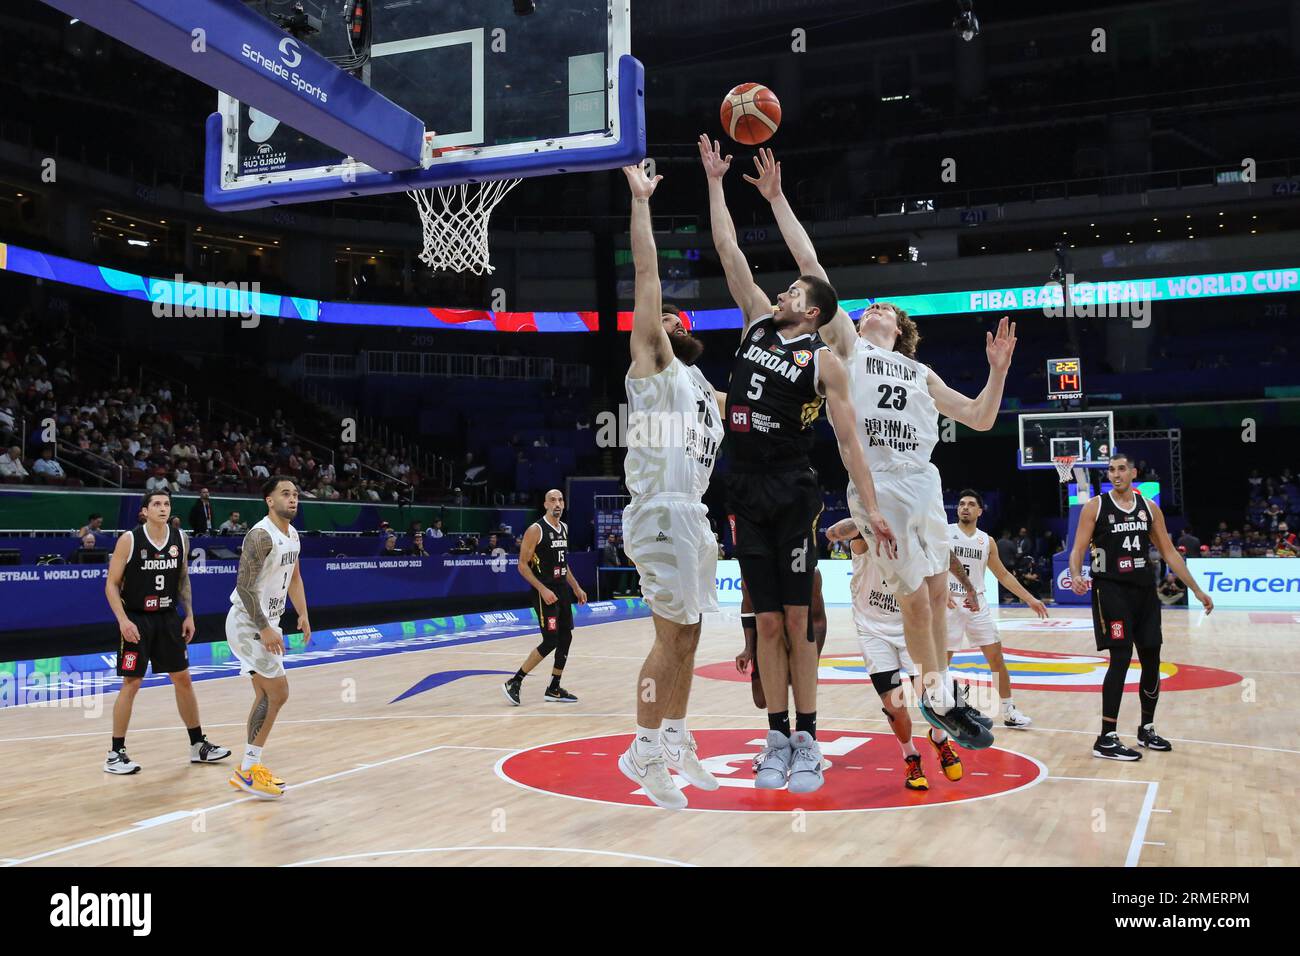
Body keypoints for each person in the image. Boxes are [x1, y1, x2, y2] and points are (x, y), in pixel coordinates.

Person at [701, 138, 896, 794]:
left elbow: (846, 442)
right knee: (762, 624)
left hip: (792, 490)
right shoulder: (757, 325)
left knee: (795, 619)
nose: (778, 293)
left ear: (810, 310)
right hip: (742, 484)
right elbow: (729, 254)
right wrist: (715, 183)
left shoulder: (826, 358)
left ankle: (808, 736)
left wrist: (867, 503)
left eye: (789, 292)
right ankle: (776, 737)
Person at [613, 163, 725, 809]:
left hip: (694, 517)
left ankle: (676, 736)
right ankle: (642, 748)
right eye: (667, 321)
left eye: (682, 322)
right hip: (658, 512)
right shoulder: (654, 366)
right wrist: (642, 203)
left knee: (689, 634)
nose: (674, 324)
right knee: (667, 636)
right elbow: (649, 278)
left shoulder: (706, 393)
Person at [1069, 453, 1213, 761]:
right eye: (1111, 469)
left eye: (1121, 468)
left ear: (1134, 472)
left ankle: (1146, 728)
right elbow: (1077, 549)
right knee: (1120, 659)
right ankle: (1106, 737)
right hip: (1111, 590)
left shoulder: (1149, 507)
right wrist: (1074, 573)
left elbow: (1170, 553)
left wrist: (1197, 590)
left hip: (1145, 592)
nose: (1116, 473)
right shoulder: (1094, 507)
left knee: (1152, 659)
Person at [826, 517, 976, 790]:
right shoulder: (866, 534)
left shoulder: (916, 532)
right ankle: (910, 756)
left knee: (933, 698)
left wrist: (967, 587)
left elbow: (945, 553)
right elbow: (833, 532)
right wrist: (869, 516)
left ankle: (939, 740)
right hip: (873, 631)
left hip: (911, 628)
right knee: (895, 706)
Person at [103, 489, 230, 774]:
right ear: (144, 511)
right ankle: (115, 753)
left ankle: (198, 745)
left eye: (166, 504)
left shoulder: (180, 538)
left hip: (168, 617)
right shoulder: (130, 540)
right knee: (132, 683)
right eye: (156, 504)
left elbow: (183, 578)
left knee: (183, 678)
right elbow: (111, 584)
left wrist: (190, 615)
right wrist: (123, 621)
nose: (162, 508)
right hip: (137, 618)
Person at [225, 476, 308, 798]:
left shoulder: (293, 534)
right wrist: (264, 628)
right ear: (269, 501)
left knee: (265, 695)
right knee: (279, 692)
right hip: (249, 623)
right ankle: (247, 771)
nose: (293, 499)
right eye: (285, 494)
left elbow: (295, 578)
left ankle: (248, 769)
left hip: (269, 622)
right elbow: (244, 588)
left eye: (296, 494)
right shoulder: (261, 535)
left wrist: (302, 614)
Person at [945, 490, 1048, 729]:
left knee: (996, 658)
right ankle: (942, 709)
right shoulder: (945, 533)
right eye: (961, 504)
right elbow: (931, 565)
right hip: (949, 603)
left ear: (980, 511)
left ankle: (1009, 710)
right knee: (942, 663)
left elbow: (1002, 574)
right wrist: (940, 592)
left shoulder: (986, 541)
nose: (965, 508)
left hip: (977, 604)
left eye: (971, 504)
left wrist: (1030, 599)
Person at [502, 489, 588, 706]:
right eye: (552, 500)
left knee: (566, 637)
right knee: (550, 640)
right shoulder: (536, 529)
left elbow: (563, 563)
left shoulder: (564, 528)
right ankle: (515, 681)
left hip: (562, 590)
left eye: (560, 500)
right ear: (545, 504)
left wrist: (576, 587)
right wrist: (542, 589)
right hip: (545, 591)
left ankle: (554, 687)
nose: (557, 503)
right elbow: (522, 565)